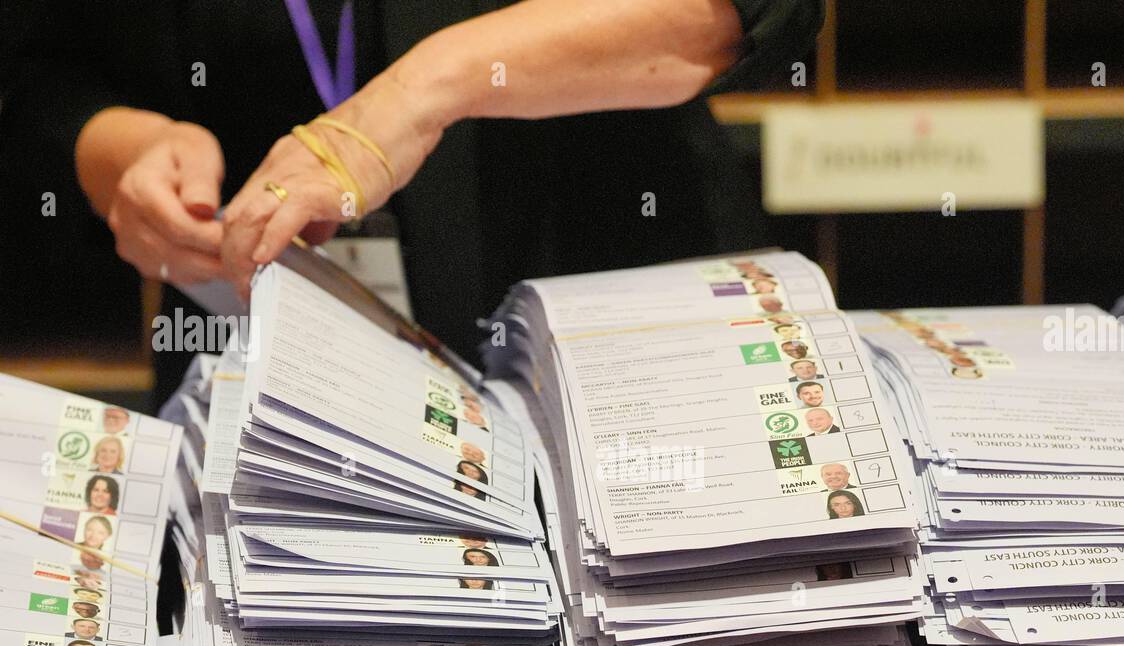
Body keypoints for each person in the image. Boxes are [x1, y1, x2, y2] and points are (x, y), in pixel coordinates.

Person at [5, 1, 823, 403]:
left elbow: (740, 11)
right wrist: (120, 151)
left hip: (603, 323)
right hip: (265, 361)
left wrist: (428, 89)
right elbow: (42, 68)